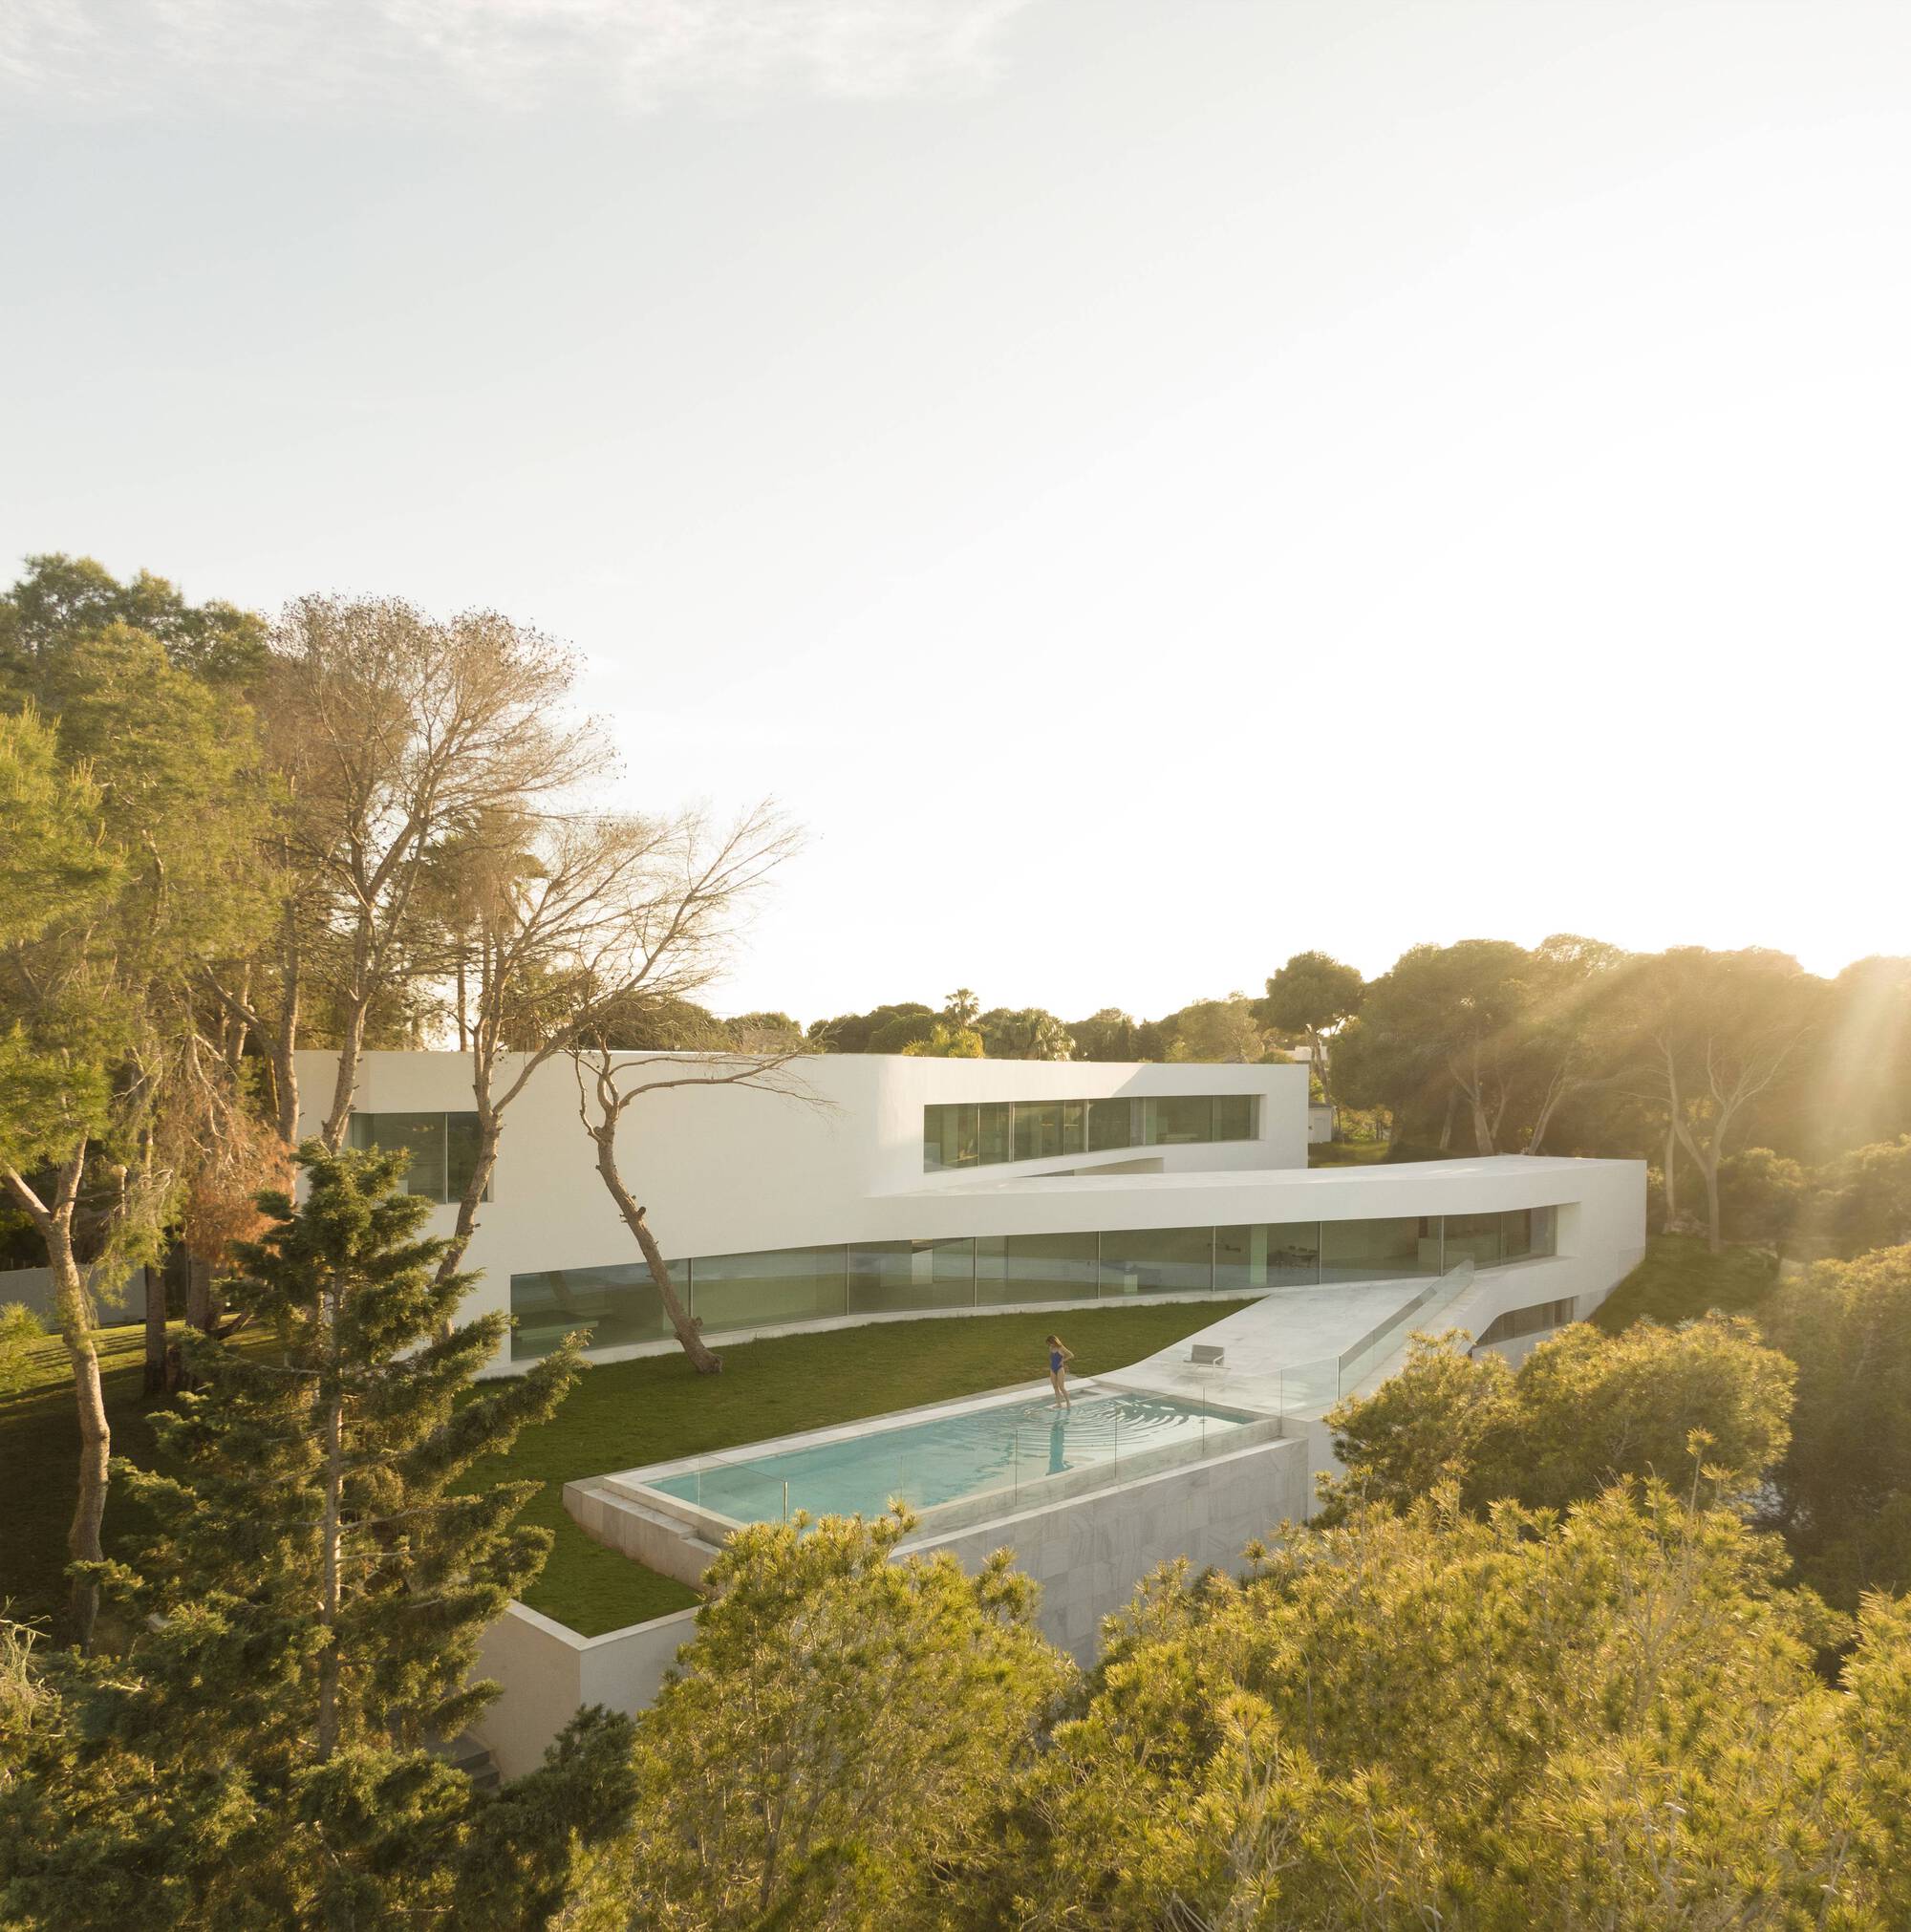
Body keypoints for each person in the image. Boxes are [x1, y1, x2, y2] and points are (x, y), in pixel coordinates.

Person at [1046, 1333, 1074, 1409]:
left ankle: (1068, 1403)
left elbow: (1071, 1355)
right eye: (1049, 1343)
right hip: (1052, 1369)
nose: (1050, 1344)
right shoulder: (1051, 1348)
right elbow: (1051, 1357)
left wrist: (1063, 1360)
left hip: (1060, 1369)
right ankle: (1059, 1404)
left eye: (1050, 1343)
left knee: (1061, 1387)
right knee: (1055, 1387)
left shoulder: (1061, 1348)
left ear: (1054, 1341)